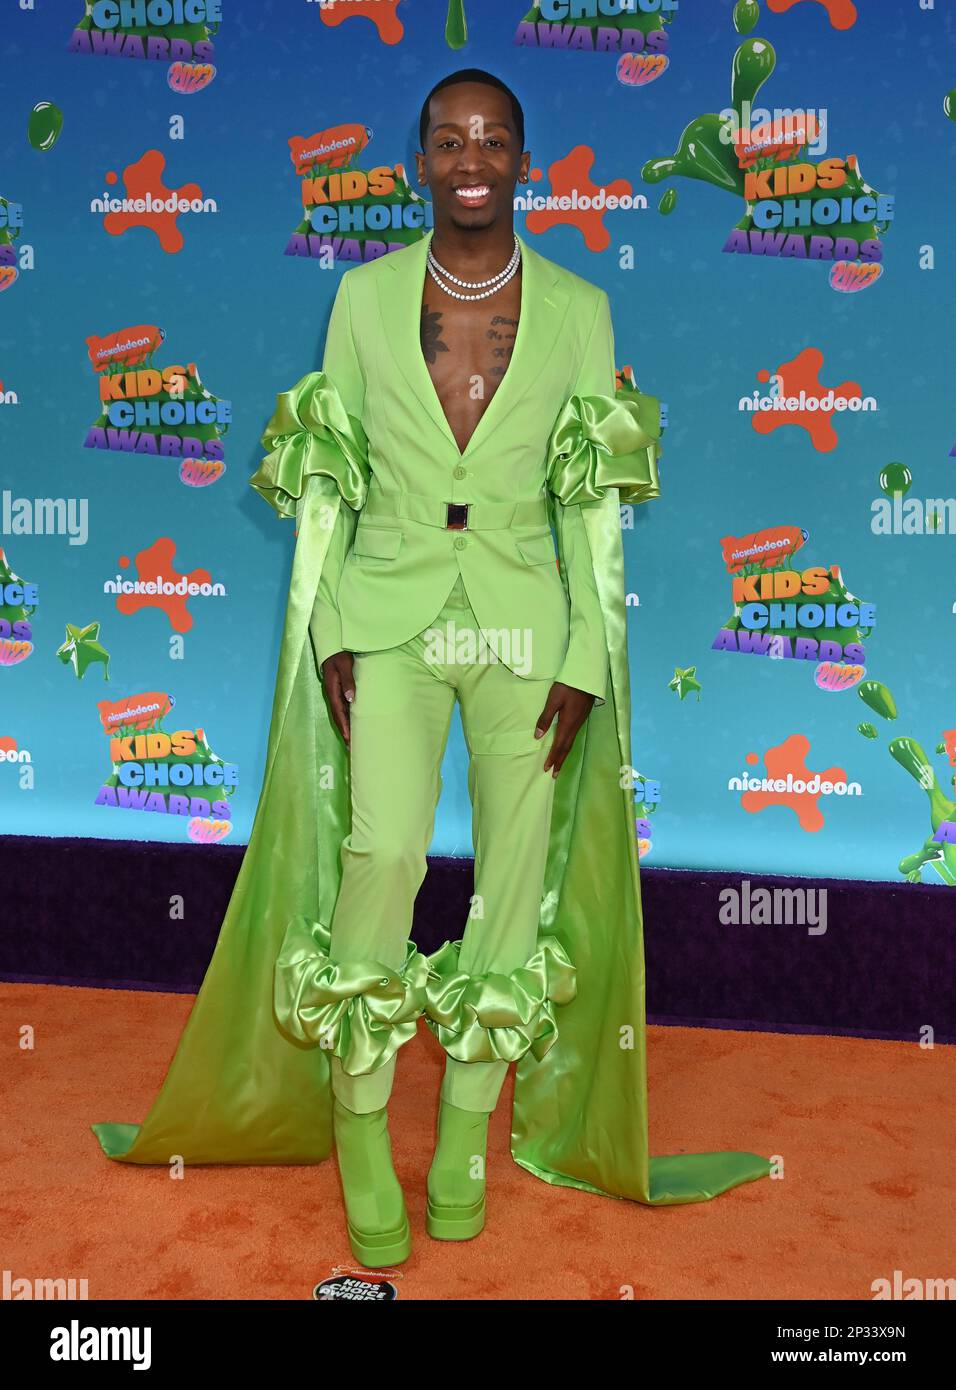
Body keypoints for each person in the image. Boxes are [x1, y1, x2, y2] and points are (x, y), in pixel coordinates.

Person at [92, 68, 770, 1269]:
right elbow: (326, 478)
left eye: (493, 139)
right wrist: (333, 632)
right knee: (385, 851)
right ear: (417, 161)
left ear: (524, 162)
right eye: (448, 138)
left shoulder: (577, 308)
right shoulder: (358, 299)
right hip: (390, 613)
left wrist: (579, 651)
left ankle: (463, 1132)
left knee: (514, 870)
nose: (471, 157)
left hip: (523, 622)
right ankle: (361, 1133)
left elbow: (587, 501)